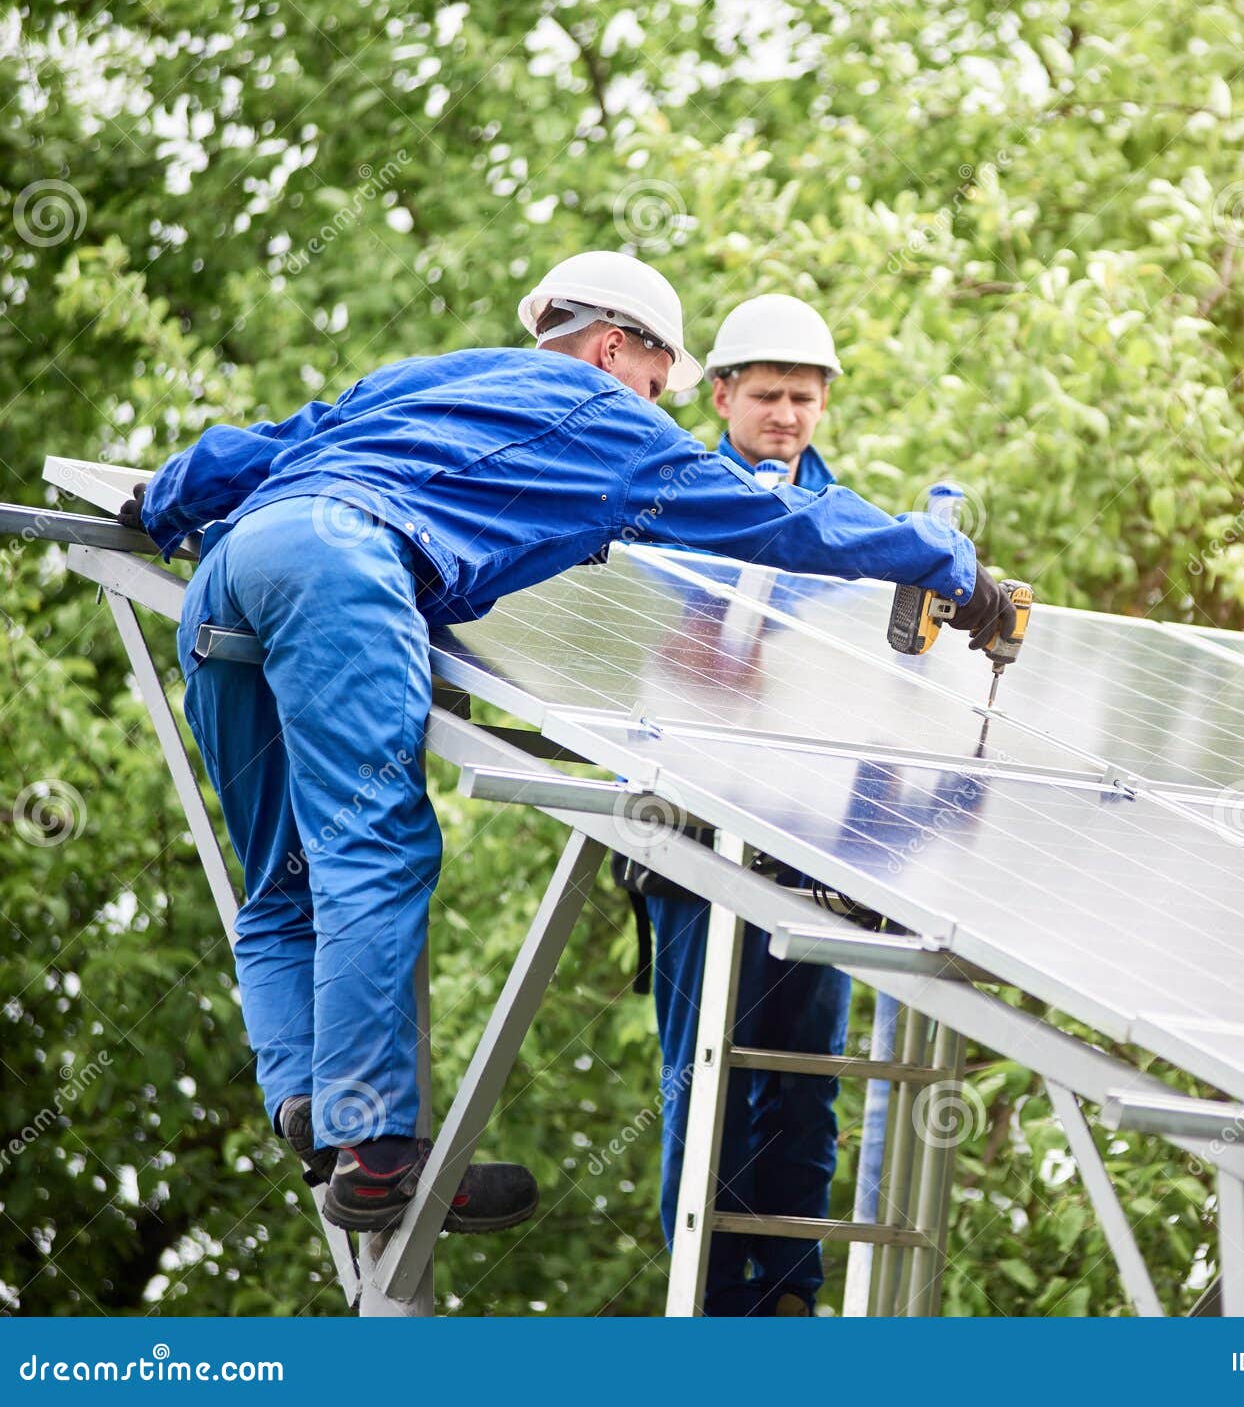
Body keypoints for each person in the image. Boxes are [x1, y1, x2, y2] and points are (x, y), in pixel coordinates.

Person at [121, 253, 1013, 1238]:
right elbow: (781, 520)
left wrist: (159, 505)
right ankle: (375, 1149)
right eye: (656, 380)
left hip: (230, 575)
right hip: (343, 566)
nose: (655, 402)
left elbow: (263, 444)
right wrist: (949, 566)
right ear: (611, 346)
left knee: (280, 878)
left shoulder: (434, 376)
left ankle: (308, 1107)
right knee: (375, 846)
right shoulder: (614, 424)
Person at [640, 295, 855, 1316]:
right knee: (707, 1077)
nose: (785, 415)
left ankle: (789, 1297)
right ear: (720, 393)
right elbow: (637, 646)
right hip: (696, 832)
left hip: (811, 839)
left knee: (805, 1082)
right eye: (766, 395)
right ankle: (710, 1296)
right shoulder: (669, 495)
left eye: (803, 398)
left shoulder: (847, 522)